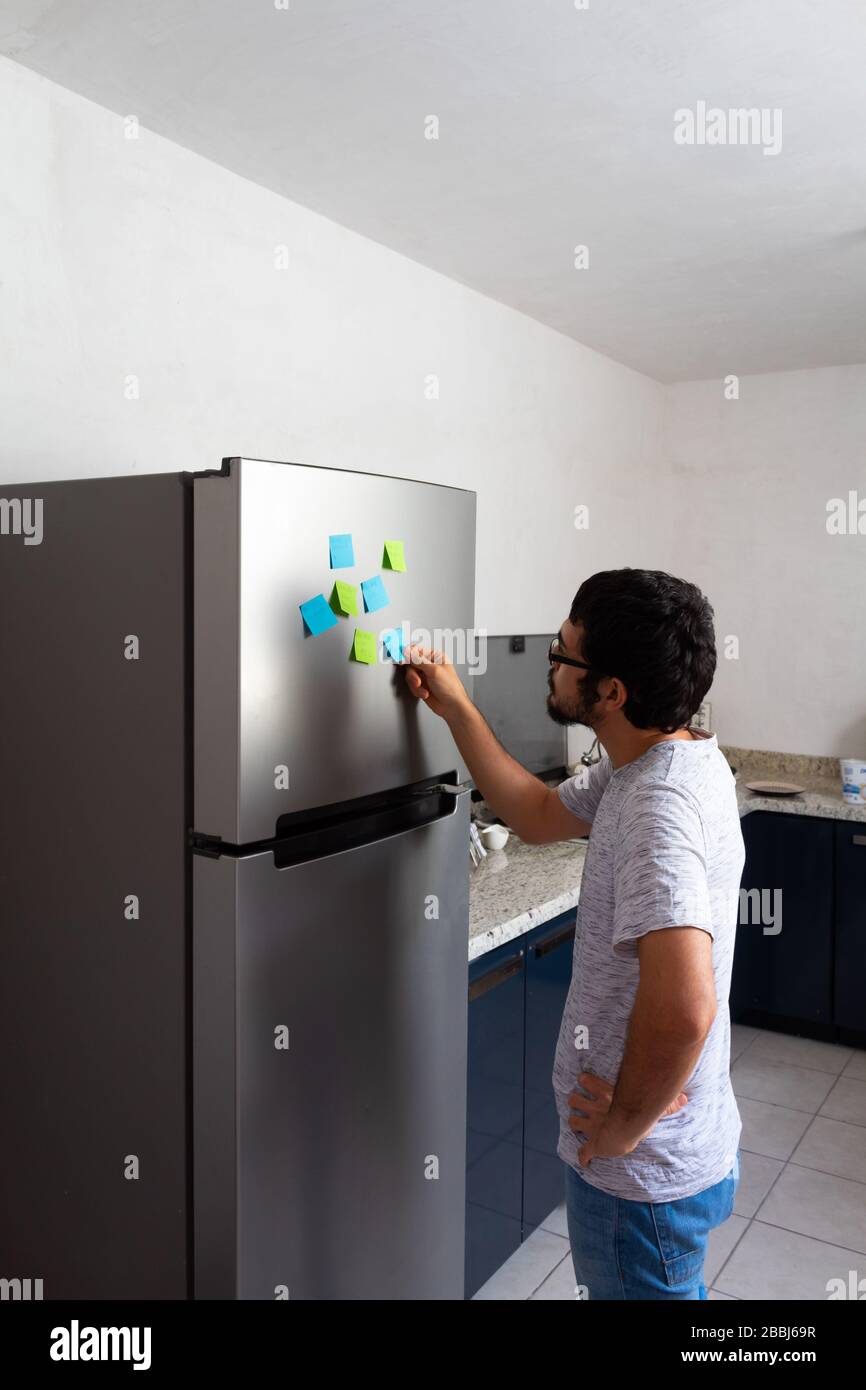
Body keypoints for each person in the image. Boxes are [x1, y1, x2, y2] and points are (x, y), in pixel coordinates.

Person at [403, 568, 744, 1300]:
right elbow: (535, 813)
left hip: (640, 1174)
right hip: (678, 1150)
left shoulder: (658, 807)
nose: (551, 664)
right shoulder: (656, 757)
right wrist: (458, 706)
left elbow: (687, 1006)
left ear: (612, 691)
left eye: (563, 653)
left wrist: (622, 1127)